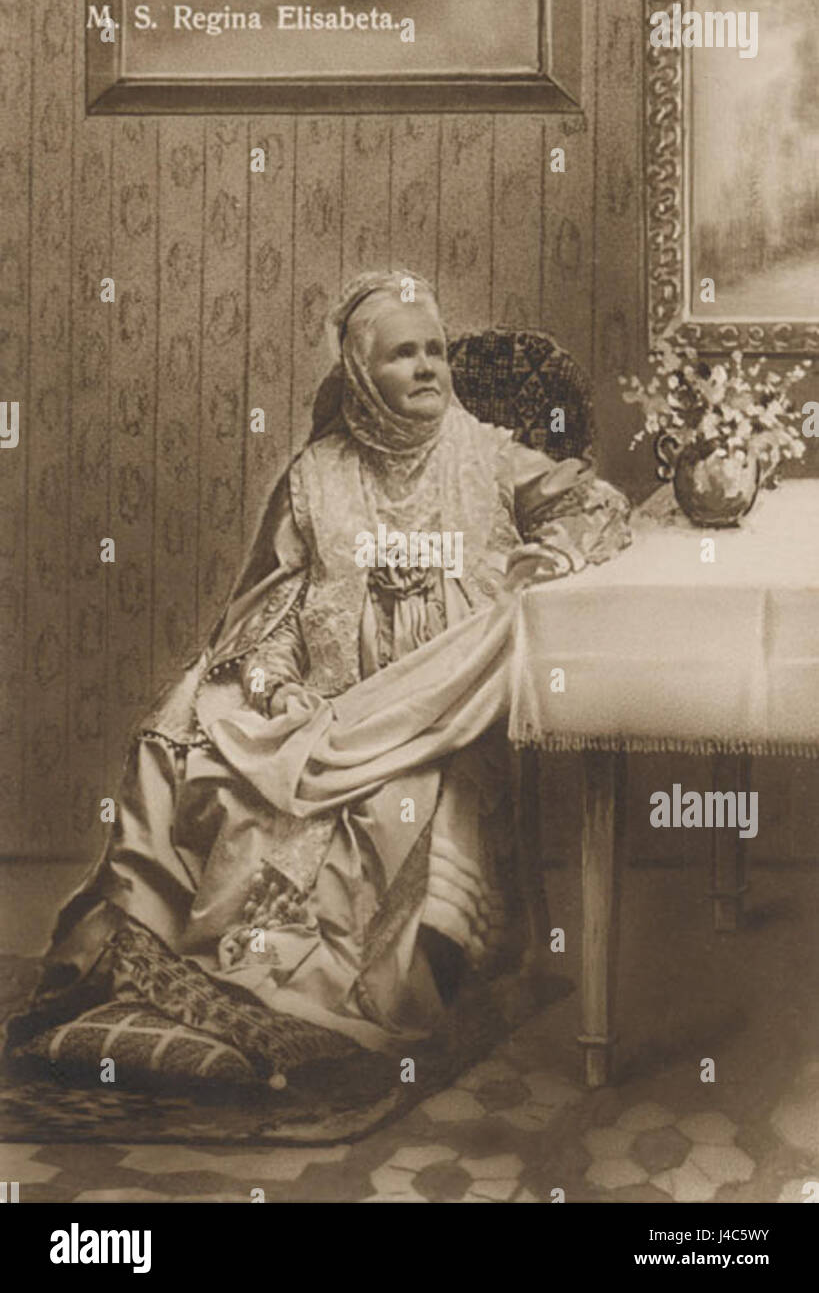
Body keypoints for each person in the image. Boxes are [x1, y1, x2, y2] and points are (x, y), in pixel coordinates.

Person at [10, 269, 631, 1085]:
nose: (426, 370)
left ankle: (326, 1000)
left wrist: (552, 553)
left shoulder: (484, 455)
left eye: (435, 351)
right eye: (402, 356)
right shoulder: (315, 477)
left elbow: (595, 503)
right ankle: (193, 976)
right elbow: (269, 606)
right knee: (197, 732)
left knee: (390, 805)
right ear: (361, 377)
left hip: (444, 703)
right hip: (333, 699)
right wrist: (273, 682)